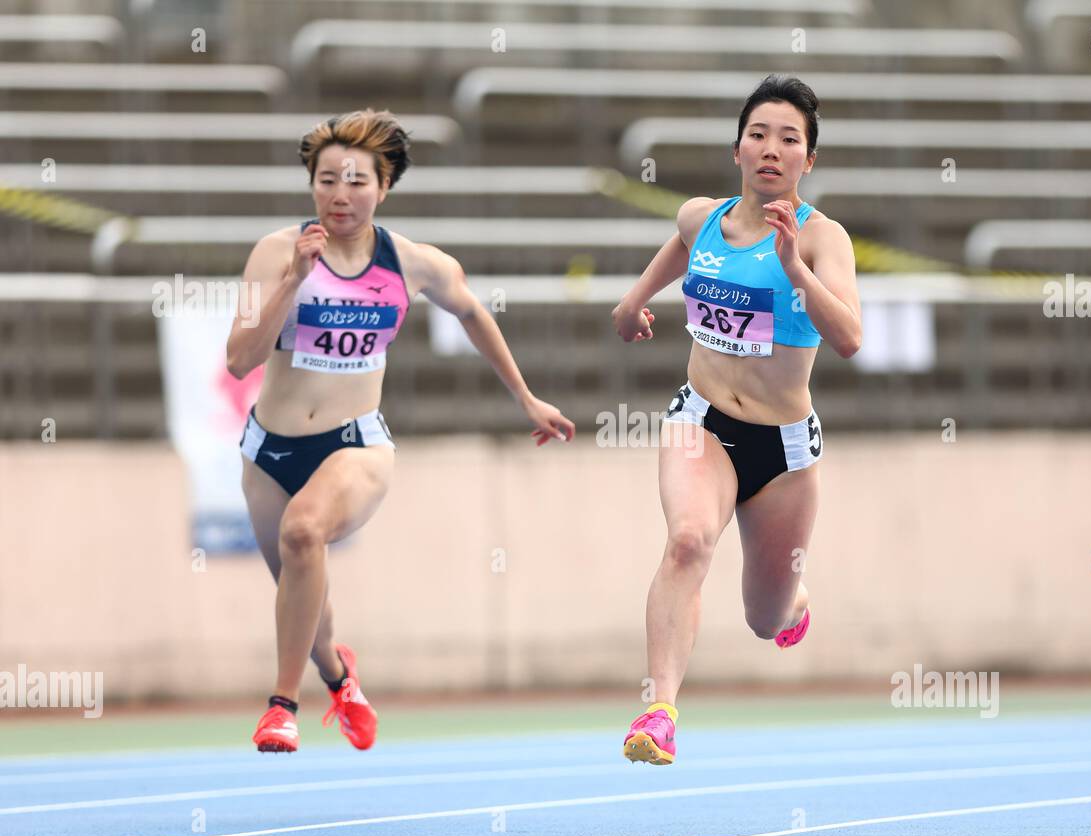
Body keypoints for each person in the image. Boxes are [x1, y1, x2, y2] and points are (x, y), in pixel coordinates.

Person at [226, 109, 574, 753]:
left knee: (305, 532)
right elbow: (239, 358)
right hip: (268, 451)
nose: (340, 194)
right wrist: (290, 284)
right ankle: (338, 677)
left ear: (383, 188)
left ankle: (281, 706)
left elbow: (473, 314)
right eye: (326, 179)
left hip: (355, 445)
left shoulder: (412, 264)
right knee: (306, 600)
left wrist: (525, 397)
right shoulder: (277, 253)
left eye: (357, 181)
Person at [611, 76, 862, 765]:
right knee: (688, 542)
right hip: (702, 422)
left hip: (783, 452)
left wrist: (795, 271)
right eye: (759, 134)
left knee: (764, 617)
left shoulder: (822, 239)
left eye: (790, 139)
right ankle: (658, 710)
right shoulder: (702, 217)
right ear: (737, 150)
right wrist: (634, 301)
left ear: (808, 160)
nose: (772, 149)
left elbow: (849, 338)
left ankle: (795, 601)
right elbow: (680, 245)